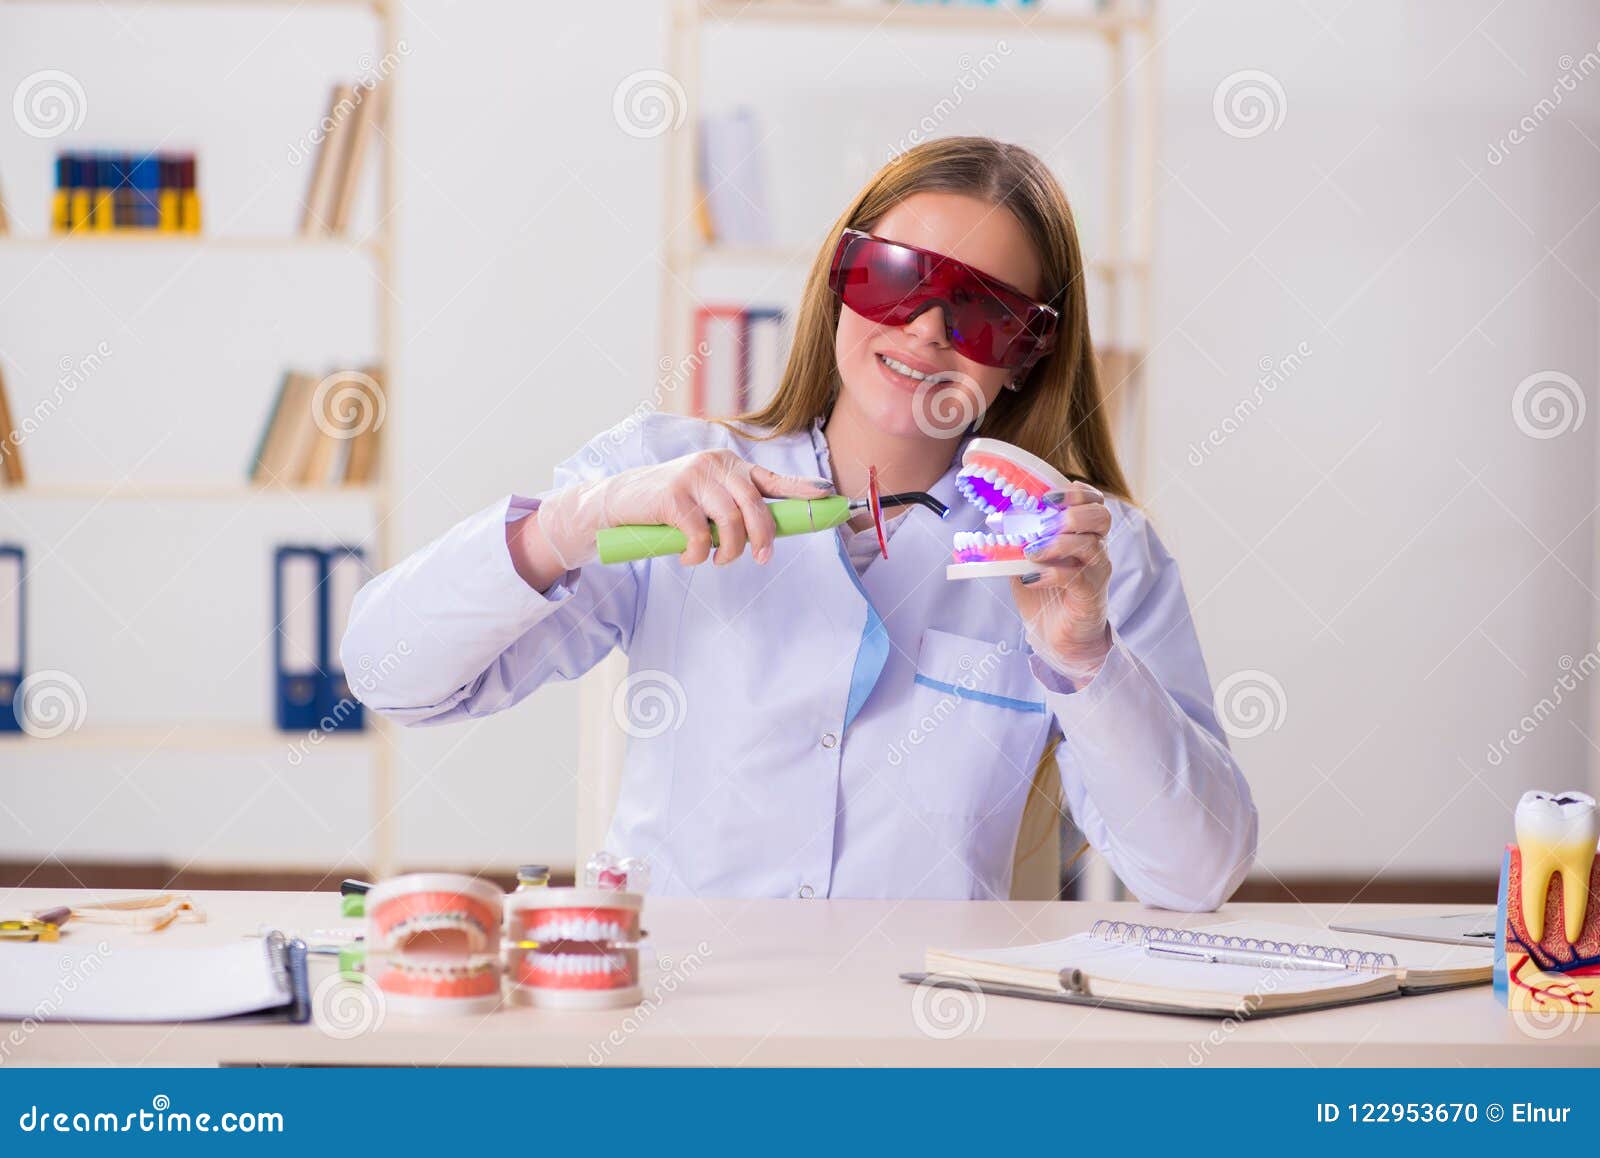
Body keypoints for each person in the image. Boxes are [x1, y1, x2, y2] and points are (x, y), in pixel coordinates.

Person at [342, 136, 1257, 908]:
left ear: (1026, 353)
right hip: (674, 1024)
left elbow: (1195, 875)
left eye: (984, 313)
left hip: (920, 1035)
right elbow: (391, 676)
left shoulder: (1089, 555)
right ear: (840, 277)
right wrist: (580, 520)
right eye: (898, 278)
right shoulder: (665, 477)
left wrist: (1082, 658)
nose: (929, 330)